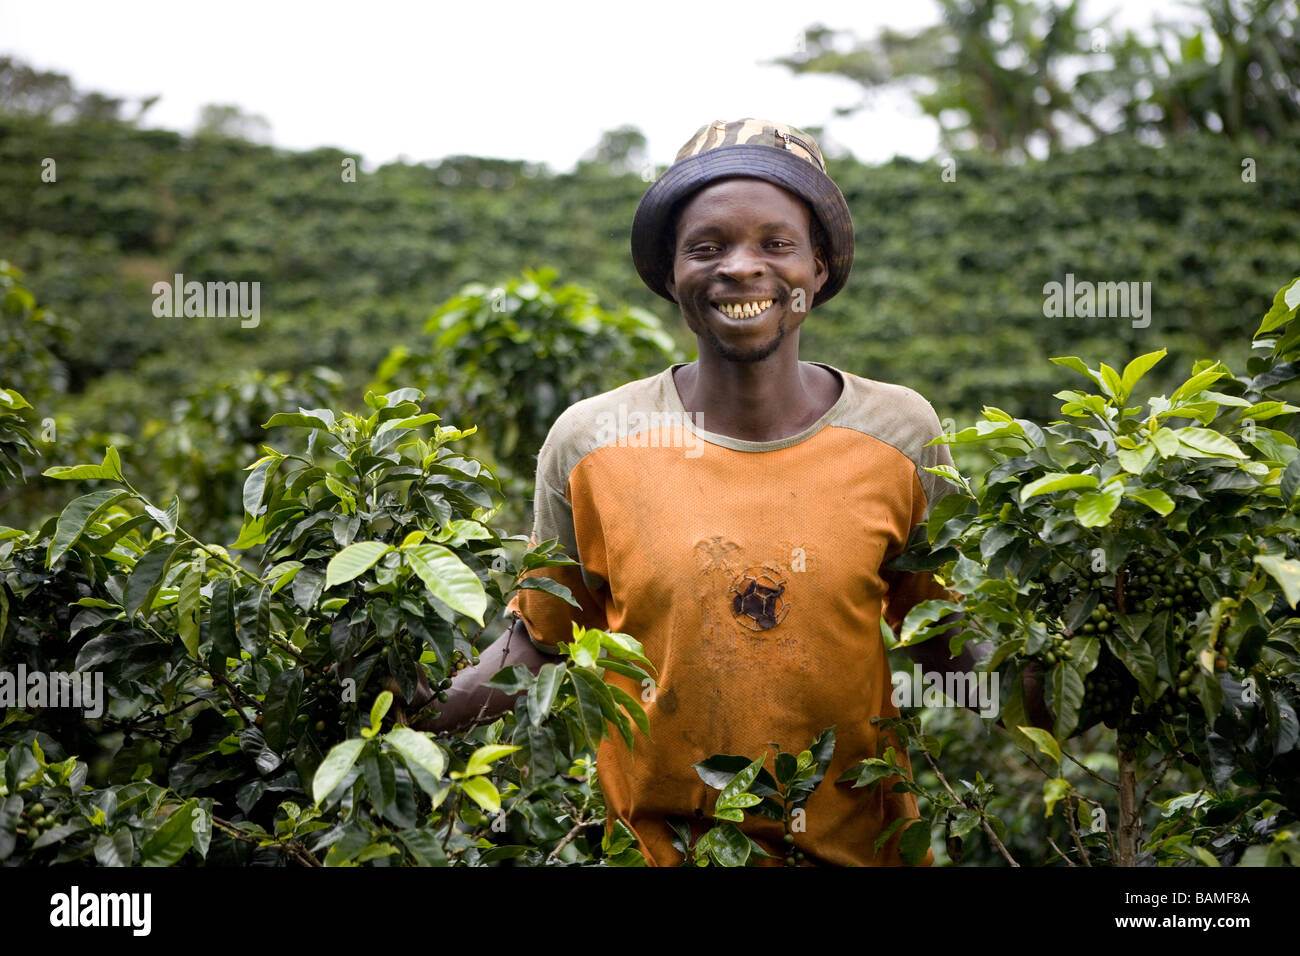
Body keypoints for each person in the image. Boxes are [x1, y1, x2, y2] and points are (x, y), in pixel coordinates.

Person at [419, 118, 994, 866]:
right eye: (707, 247)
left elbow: (946, 645)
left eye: (776, 244)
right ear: (671, 274)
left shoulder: (900, 431)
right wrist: (413, 706)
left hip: (857, 852)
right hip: (659, 851)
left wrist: (1093, 668)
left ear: (818, 268)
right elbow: (540, 644)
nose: (742, 268)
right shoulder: (594, 441)